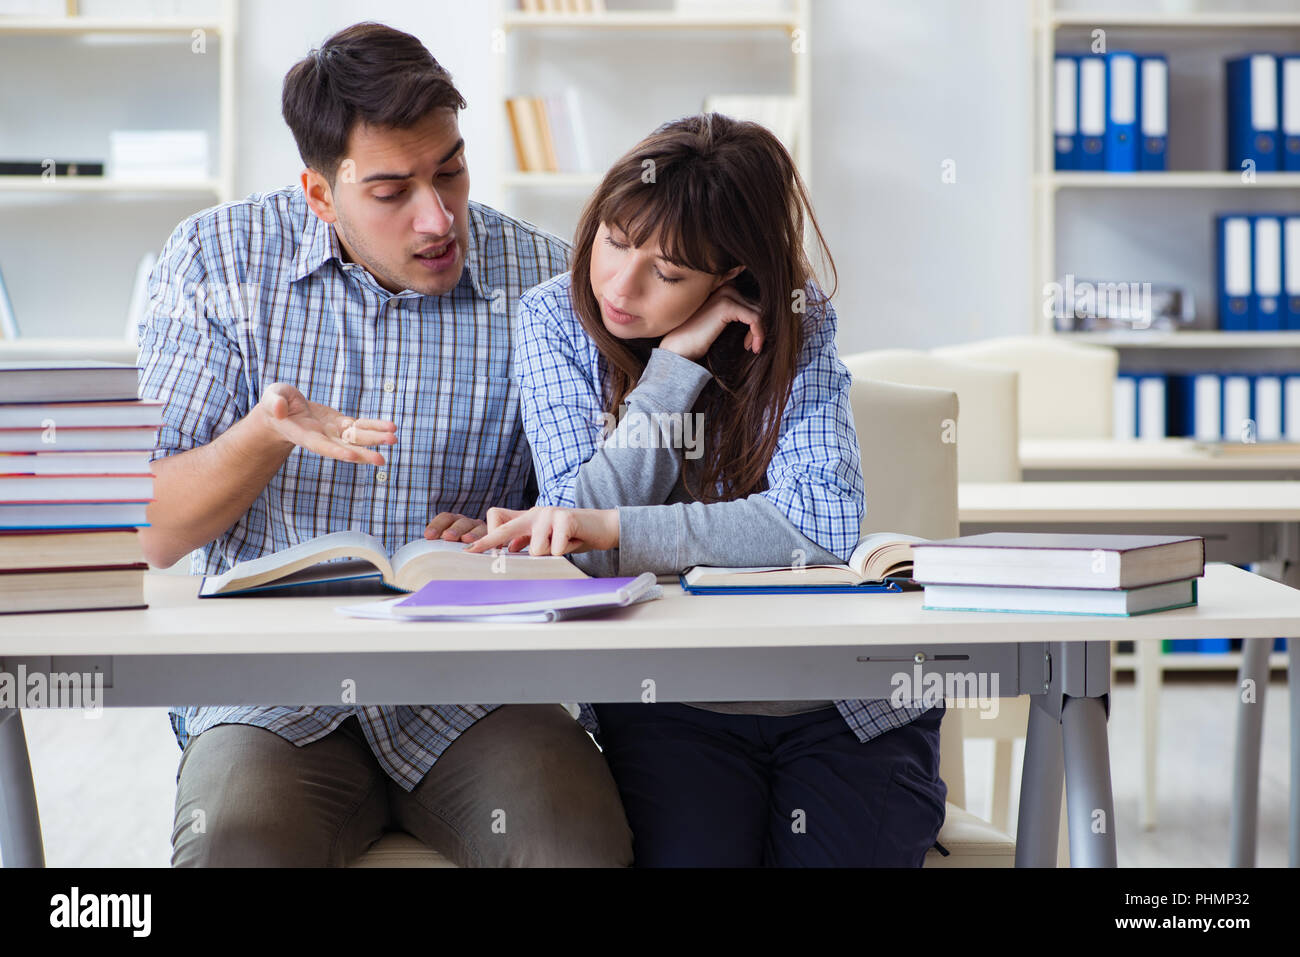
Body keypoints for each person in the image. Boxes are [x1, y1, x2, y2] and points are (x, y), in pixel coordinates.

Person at [138, 21, 631, 867]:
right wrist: (264, 435)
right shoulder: (215, 261)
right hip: (270, 694)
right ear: (321, 194)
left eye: (451, 171)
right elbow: (152, 531)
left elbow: (593, 510)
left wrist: (517, 534)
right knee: (234, 846)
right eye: (393, 190)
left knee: (574, 841)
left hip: (474, 690)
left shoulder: (544, 282)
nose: (438, 218)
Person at [468, 114, 947, 866]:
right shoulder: (555, 319)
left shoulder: (795, 320)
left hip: (844, 701)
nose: (619, 287)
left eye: (667, 273)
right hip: (673, 700)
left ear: (731, 277)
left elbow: (820, 523)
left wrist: (617, 530)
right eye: (616, 241)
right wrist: (674, 369)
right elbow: (570, 542)